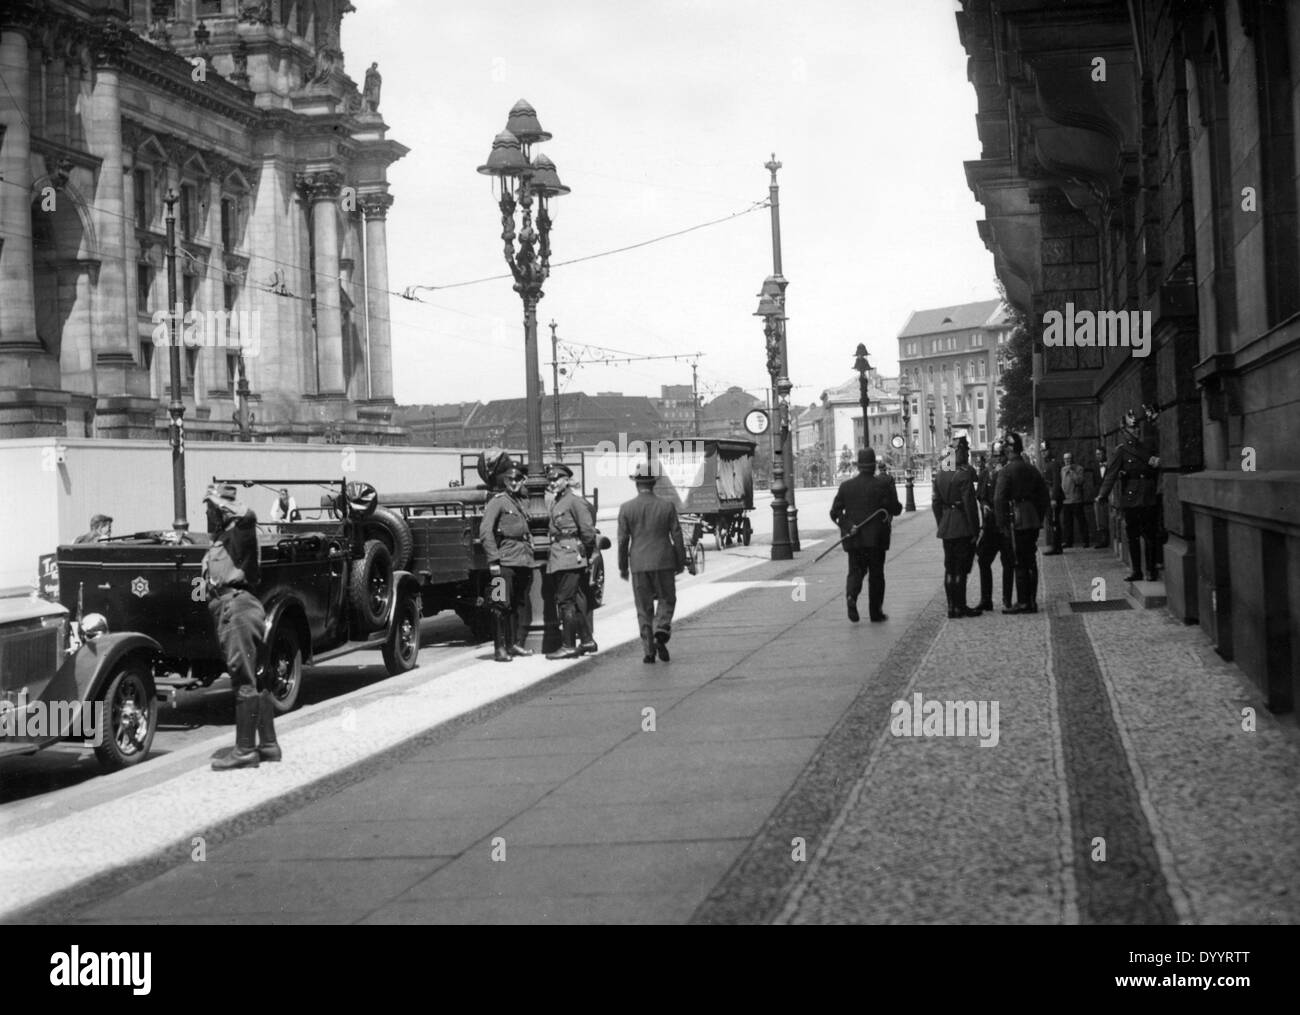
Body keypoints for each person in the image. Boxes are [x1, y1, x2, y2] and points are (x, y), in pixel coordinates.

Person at [202, 484, 277, 770]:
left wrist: (221, 502)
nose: (207, 514)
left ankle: (245, 750)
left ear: (223, 510)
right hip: (231, 608)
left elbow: (248, 516)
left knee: (242, 677)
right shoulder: (221, 538)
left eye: (211, 509)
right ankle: (268, 745)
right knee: (254, 678)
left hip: (238, 608)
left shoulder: (240, 532)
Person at [618, 466, 687, 663]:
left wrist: (623, 566)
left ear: (636, 484)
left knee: (643, 608)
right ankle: (661, 628)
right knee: (667, 598)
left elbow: (623, 541)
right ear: (654, 483)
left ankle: (648, 652)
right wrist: (680, 561)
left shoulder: (626, 508)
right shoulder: (667, 506)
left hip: (639, 563)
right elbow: (677, 535)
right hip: (664, 561)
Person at [829, 447, 903, 623]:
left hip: (854, 539)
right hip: (876, 540)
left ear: (858, 465)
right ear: (874, 465)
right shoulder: (882, 486)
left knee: (855, 571)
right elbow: (896, 509)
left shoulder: (846, 486)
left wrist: (848, 526)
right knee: (876, 575)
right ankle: (875, 613)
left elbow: (835, 512)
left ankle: (851, 596)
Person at [1096, 409, 1162, 582]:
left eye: (1137, 427)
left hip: (1148, 496)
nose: (1137, 430)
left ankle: (1151, 570)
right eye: (1133, 428)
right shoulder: (1121, 451)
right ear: (1124, 430)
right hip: (1131, 498)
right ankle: (1137, 571)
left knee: (1150, 534)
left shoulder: (1147, 447)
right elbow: (1110, 475)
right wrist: (1102, 494)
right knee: (1133, 536)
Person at [479, 466, 536, 662]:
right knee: (499, 604)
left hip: (522, 560)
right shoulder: (498, 502)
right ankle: (499, 648)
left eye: (518, 480)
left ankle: (513, 644)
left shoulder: (521, 502)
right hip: (503, 563)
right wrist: (493, 560)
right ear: (505, 482)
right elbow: (485, 531)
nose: (514, 483)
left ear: (522, 481)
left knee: (517, 604)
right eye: (510, 480)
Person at [993, 431, 1050, 614]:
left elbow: (999, 499)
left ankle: (1023, 602)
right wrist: (1038, 516)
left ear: (1008, 450)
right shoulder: (1032, 469)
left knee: (1019, 561)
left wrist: (1001, 524)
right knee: (1031, 560)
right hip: (1032, 518)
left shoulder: (1006, 471)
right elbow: (1044, 496)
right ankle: (1031, 601)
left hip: (1016, 520)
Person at [544, 464, 596, 660]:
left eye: (557, 479)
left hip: (569, 557)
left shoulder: (574, 501)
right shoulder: (558, 501)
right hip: (562, 556)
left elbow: (588, 531)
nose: (553, 483)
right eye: (550, 480)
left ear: (566, 480)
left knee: (565, 602)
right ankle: (587, 641)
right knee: (573, 600)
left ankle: (569, 645)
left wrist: (583, 553)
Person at [932, 436, 982, 618]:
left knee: (950, 567)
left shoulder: (941, 474)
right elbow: (970, 505)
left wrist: (942, 522)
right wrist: (975, 530)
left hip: (947, 526)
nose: (967, 455)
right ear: (959, 452)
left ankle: (951, 607)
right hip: (962, 525)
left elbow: (935, 503)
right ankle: (961, 606)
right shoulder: (963, 474)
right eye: (965, 451)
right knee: (961, 567)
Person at [976, 440, 1015, 612]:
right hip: (990, 524)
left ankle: (1007, 599)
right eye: (995, 455)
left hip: (1005, 523)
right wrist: (984, 504)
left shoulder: (1010, 472)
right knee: (983, 560)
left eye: (1000, 456)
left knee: (1008, 562)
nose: (997, 459)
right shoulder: (986, 473)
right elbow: (981, 495)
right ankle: (986, 599)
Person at [1059, 452, 1091, 548]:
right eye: (1065, 459)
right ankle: (1068, 541)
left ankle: (1086, 541)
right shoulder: (1062, 470)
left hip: (1076, 499)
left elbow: (1079, 481)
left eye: (1069, 458)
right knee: (1067, 522)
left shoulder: (1079, 468)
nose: (1067, 461)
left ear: (1072, 459)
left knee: (1081, 521)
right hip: (1066, 499)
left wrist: (1072, 472)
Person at [1087, 446, 1110, 549]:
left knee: (1106, 517)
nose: (1098, 456)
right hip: (1098, 495)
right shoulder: (1095, 467)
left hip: (1108, 494)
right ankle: (1102, 539)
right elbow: (1094, 482)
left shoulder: (1109, 465)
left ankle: (1107, 538)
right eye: (1097, 454)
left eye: (1100, 454)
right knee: (1099, 518)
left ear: (1104, 454)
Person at [1042, 447, 1063, 555]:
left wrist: (1054, 498)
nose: (1043, 453)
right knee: (1051, 521)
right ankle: (1055, 545)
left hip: (1053, 496)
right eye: (1042, 451)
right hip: (1048, 495)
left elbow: (1056, 482)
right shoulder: (1047, 464)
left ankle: (1056, 546)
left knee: (1054, 522)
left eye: (1045, 451)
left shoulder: (1053, 464)